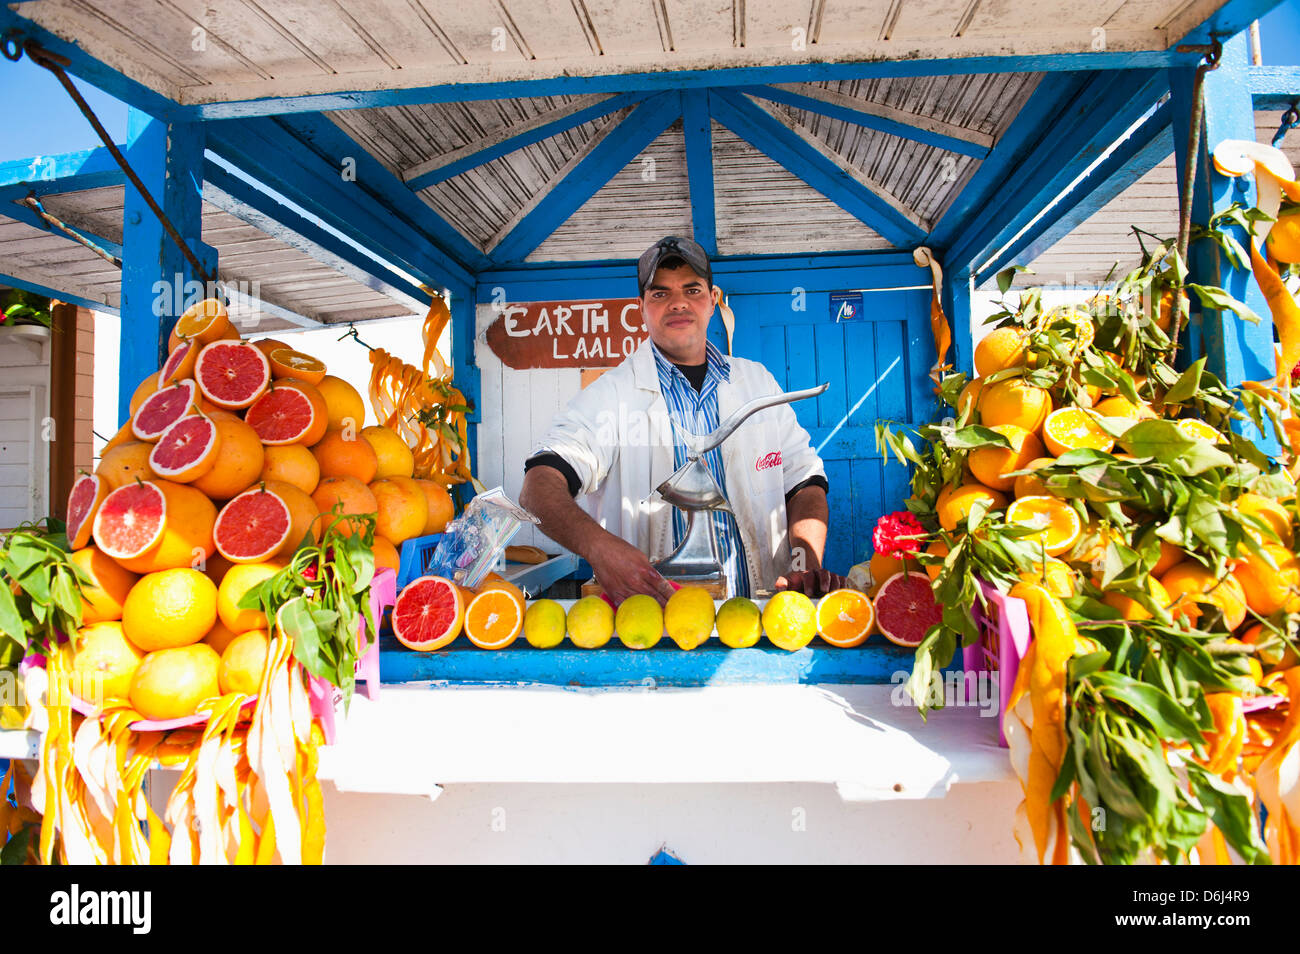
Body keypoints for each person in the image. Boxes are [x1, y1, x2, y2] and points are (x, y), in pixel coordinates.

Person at [519, 235, 848, 605]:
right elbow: (538, 487)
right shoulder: (609, 396)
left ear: (713, 300)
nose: (677, 303)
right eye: (659, 294)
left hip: (763, 619)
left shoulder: (757, 382)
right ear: (640, 308)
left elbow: (803, 481)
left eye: (692, 289)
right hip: (649, 631)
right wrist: (599, 547)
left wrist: (804, 561)